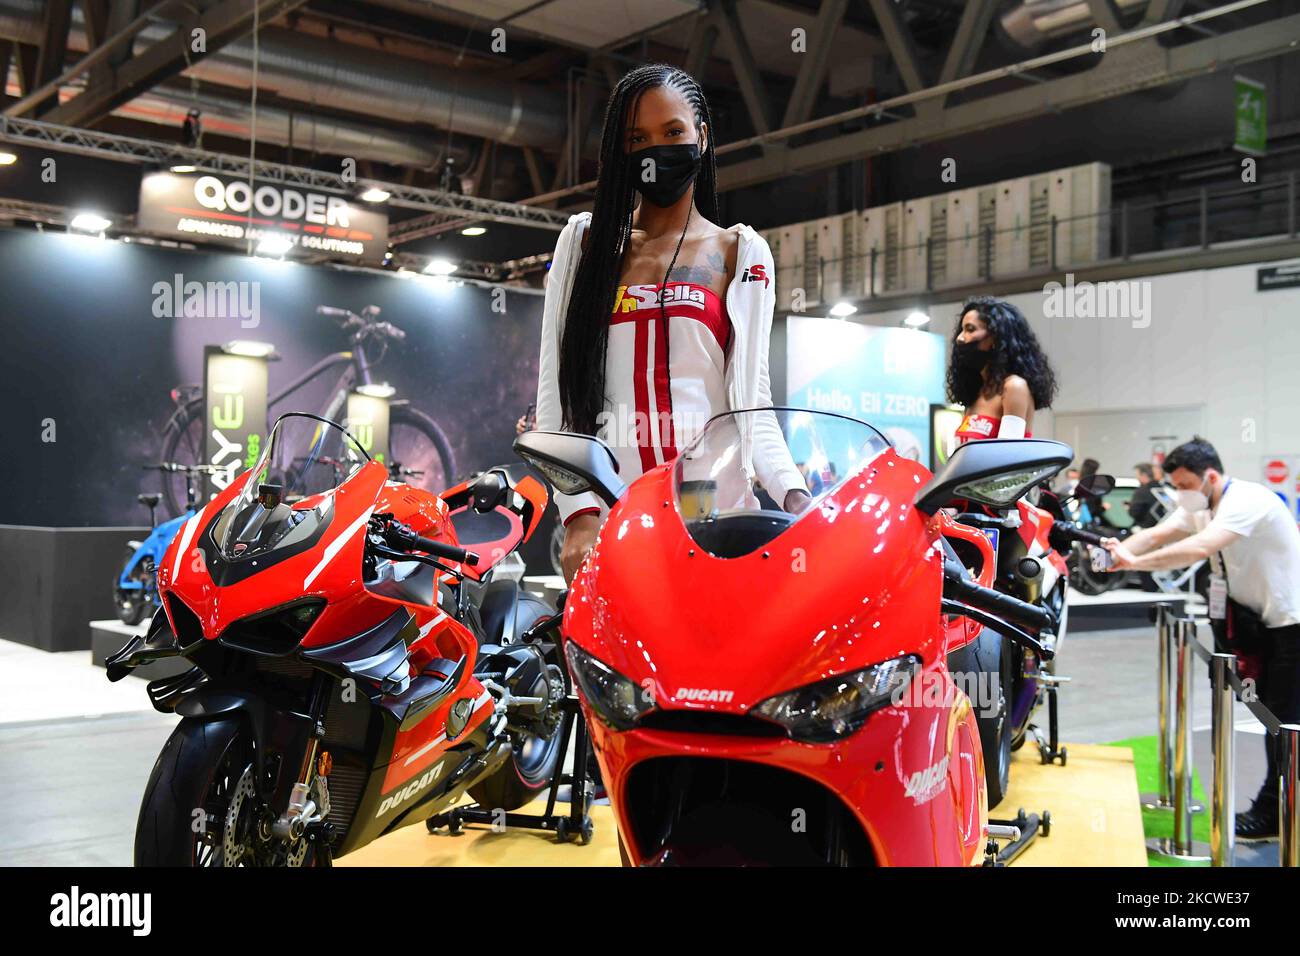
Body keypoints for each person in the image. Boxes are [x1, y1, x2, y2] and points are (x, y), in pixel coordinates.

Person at [532, 63, 809, 583]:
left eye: (673, 133)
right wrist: (579, 517)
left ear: (701, 138)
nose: (656, 150)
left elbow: (752, 407)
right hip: (617, 524)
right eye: (638, 138)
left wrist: (797, 496)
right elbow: (557, 401)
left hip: (715, 520)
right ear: (621, 151)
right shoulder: (585, 246)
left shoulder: (739, 252)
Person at [1103, 437, 1300, 840]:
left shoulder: (1246, 500)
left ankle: (1275, 814)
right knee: (1267, 714)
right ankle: (1280, 808)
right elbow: (1158, 534)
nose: (1181, 494)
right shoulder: (1201, 504)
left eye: (1185, 484)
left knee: (1281, 721)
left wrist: (1136, 563)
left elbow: (1198, 548)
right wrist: (1116, 551)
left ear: (1210, 475)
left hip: (1290, 625)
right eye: (1175, 485)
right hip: (1253, 626)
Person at [947, 296, 1058, 446]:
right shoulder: (976, 391)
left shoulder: (1014, 387)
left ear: (995, 337)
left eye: (970, 329)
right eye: (961, 330)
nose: (960, 338)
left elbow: (1007, 457)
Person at [1127, 462, 1165, 529]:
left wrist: (1129, 508)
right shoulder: (1162, 489)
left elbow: (1135, 512)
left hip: (1144, 528)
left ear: (1144, 475)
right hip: (1161, 527)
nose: (1137, 477)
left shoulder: (1142, 491)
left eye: (1137, 475)